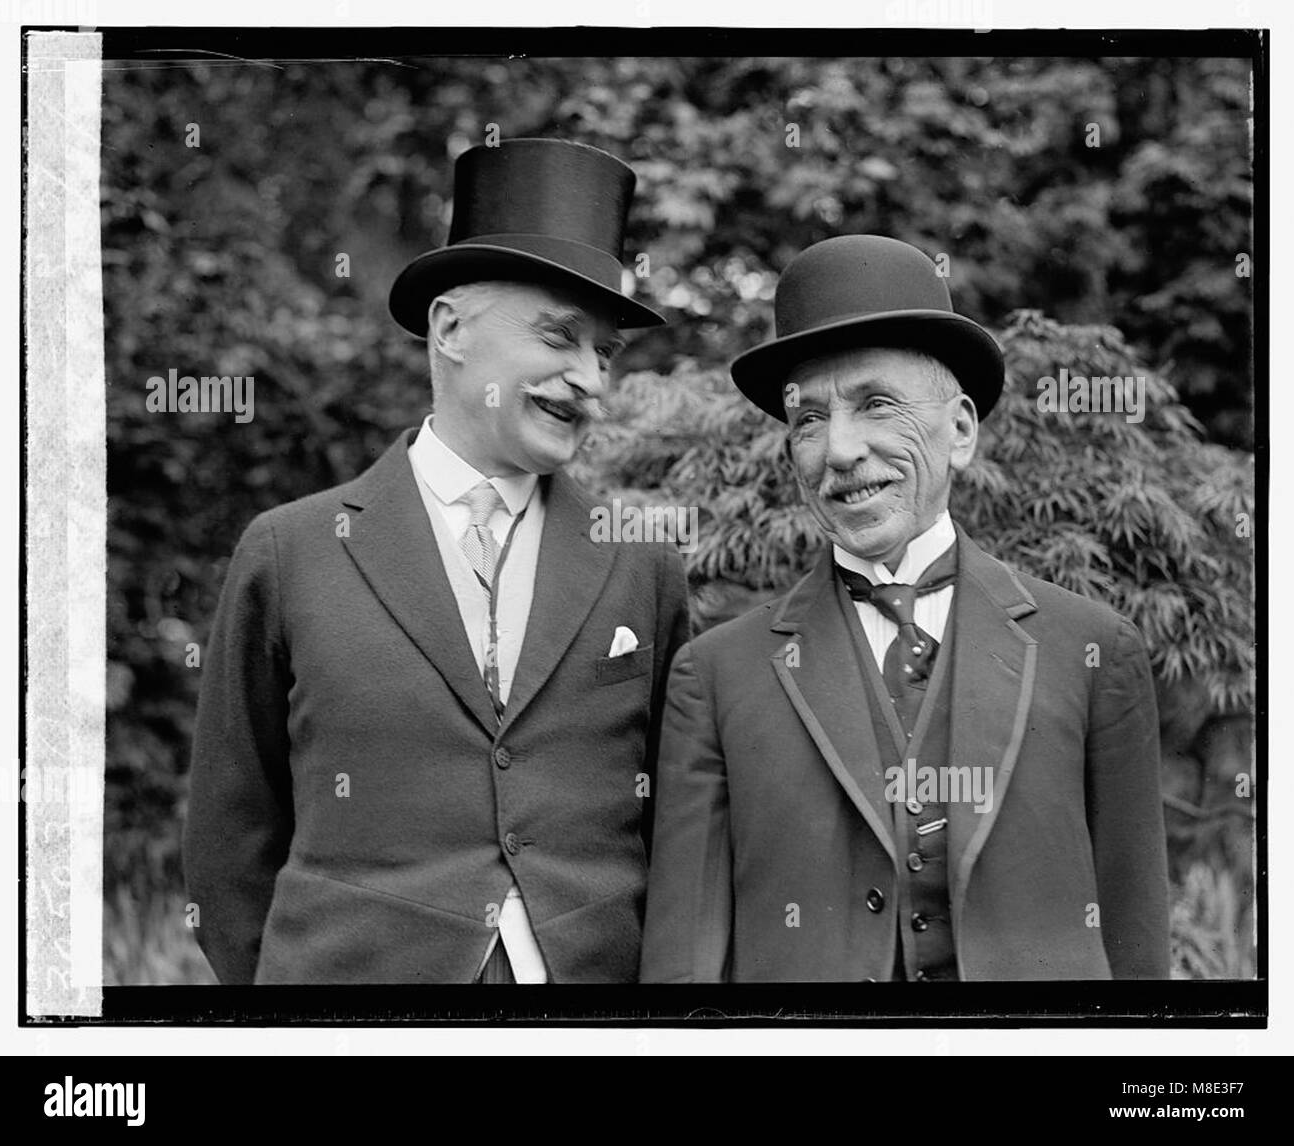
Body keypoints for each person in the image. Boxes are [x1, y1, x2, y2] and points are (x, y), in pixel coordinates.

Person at [185, 138, 689, 984]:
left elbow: (677, 821)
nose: (590, 379)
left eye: (606, 353)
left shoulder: (641, 561)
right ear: (449, 329)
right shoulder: (291, 550)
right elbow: (229, 841)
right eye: (561, 338)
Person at [640, 234, 1170, 982]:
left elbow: (1135, 937)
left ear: (959, 431)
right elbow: (683, 971)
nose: (841, 450)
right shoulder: (716, 676)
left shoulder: (1094, 651)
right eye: (809, 420)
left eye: (875, 405)